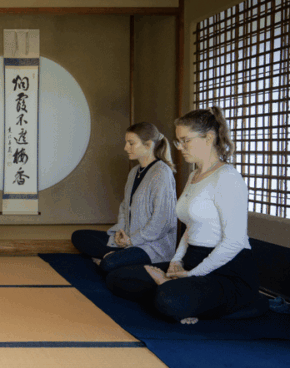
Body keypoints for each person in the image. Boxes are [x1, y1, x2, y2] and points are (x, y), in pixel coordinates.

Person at [106, 107, 259, 324]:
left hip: (226, 270)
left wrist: (192, 274)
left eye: (185, 140)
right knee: (118, 278)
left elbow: (233, 242)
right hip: (191, 260)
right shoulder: (194, 175)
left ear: (208, 138)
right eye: (178, 141)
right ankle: (178, 293)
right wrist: (176, 262)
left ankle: (180, 294)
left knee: (169, 299)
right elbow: (190, 228)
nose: (180, 147)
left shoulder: (227, 177)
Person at [72, 122, 177, 275]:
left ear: (148, 145)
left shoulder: (162, 173)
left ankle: (110, 260)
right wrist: (121, 232)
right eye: (126, 143)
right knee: (79, 236)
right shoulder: (134, 171)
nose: (125, 148)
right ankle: (116, 259)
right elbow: (124, 207)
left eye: (131, 143)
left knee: (110, 264)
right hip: (127, 240)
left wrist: (132, 241)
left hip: (150, 246)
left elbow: (162, 222)